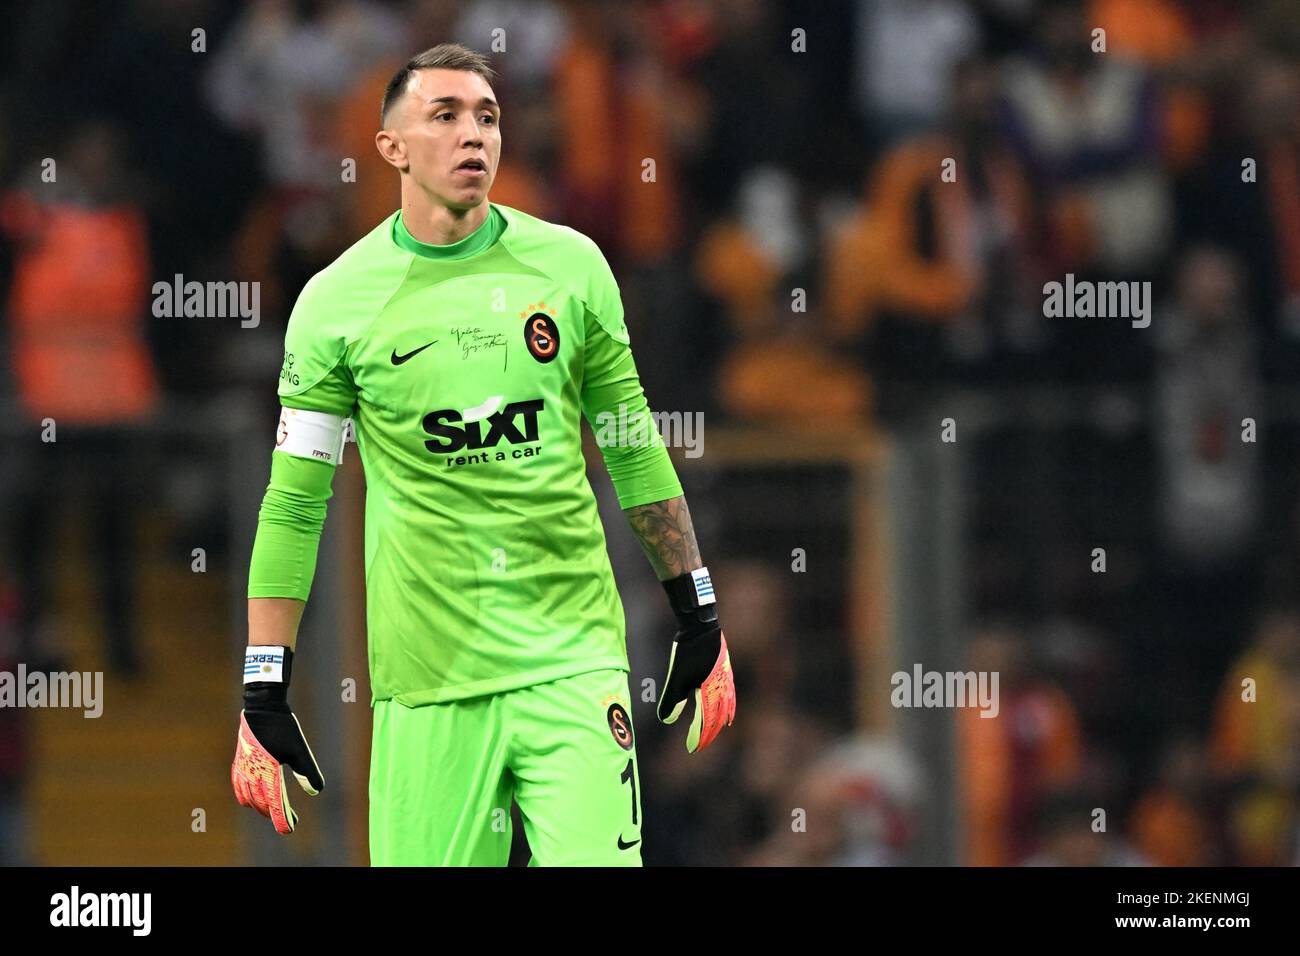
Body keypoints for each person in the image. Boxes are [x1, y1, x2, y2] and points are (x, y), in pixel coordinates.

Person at [229, 43, 735, 866]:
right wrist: (263, 687)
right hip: (428, 688)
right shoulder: (335, 305)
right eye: (446, 115)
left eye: (488, 117)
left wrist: (699, 614)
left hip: (572, 665)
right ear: (391, 147)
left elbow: (634, 449)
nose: (474, 134)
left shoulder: (571, 269)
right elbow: (294, 503)